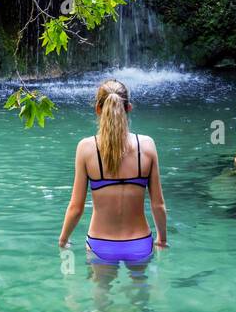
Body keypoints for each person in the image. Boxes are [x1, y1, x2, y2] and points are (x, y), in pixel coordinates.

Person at [58, 78, 167, 263]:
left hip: (100, 243)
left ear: (98, 109)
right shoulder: (147, 145)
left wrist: (63, 239)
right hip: (139, 241)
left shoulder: (86, 148)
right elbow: (158, 205)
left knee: (100, 292)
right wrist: (162, 239)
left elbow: (76, 207)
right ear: (129, 108)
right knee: (141, 291)